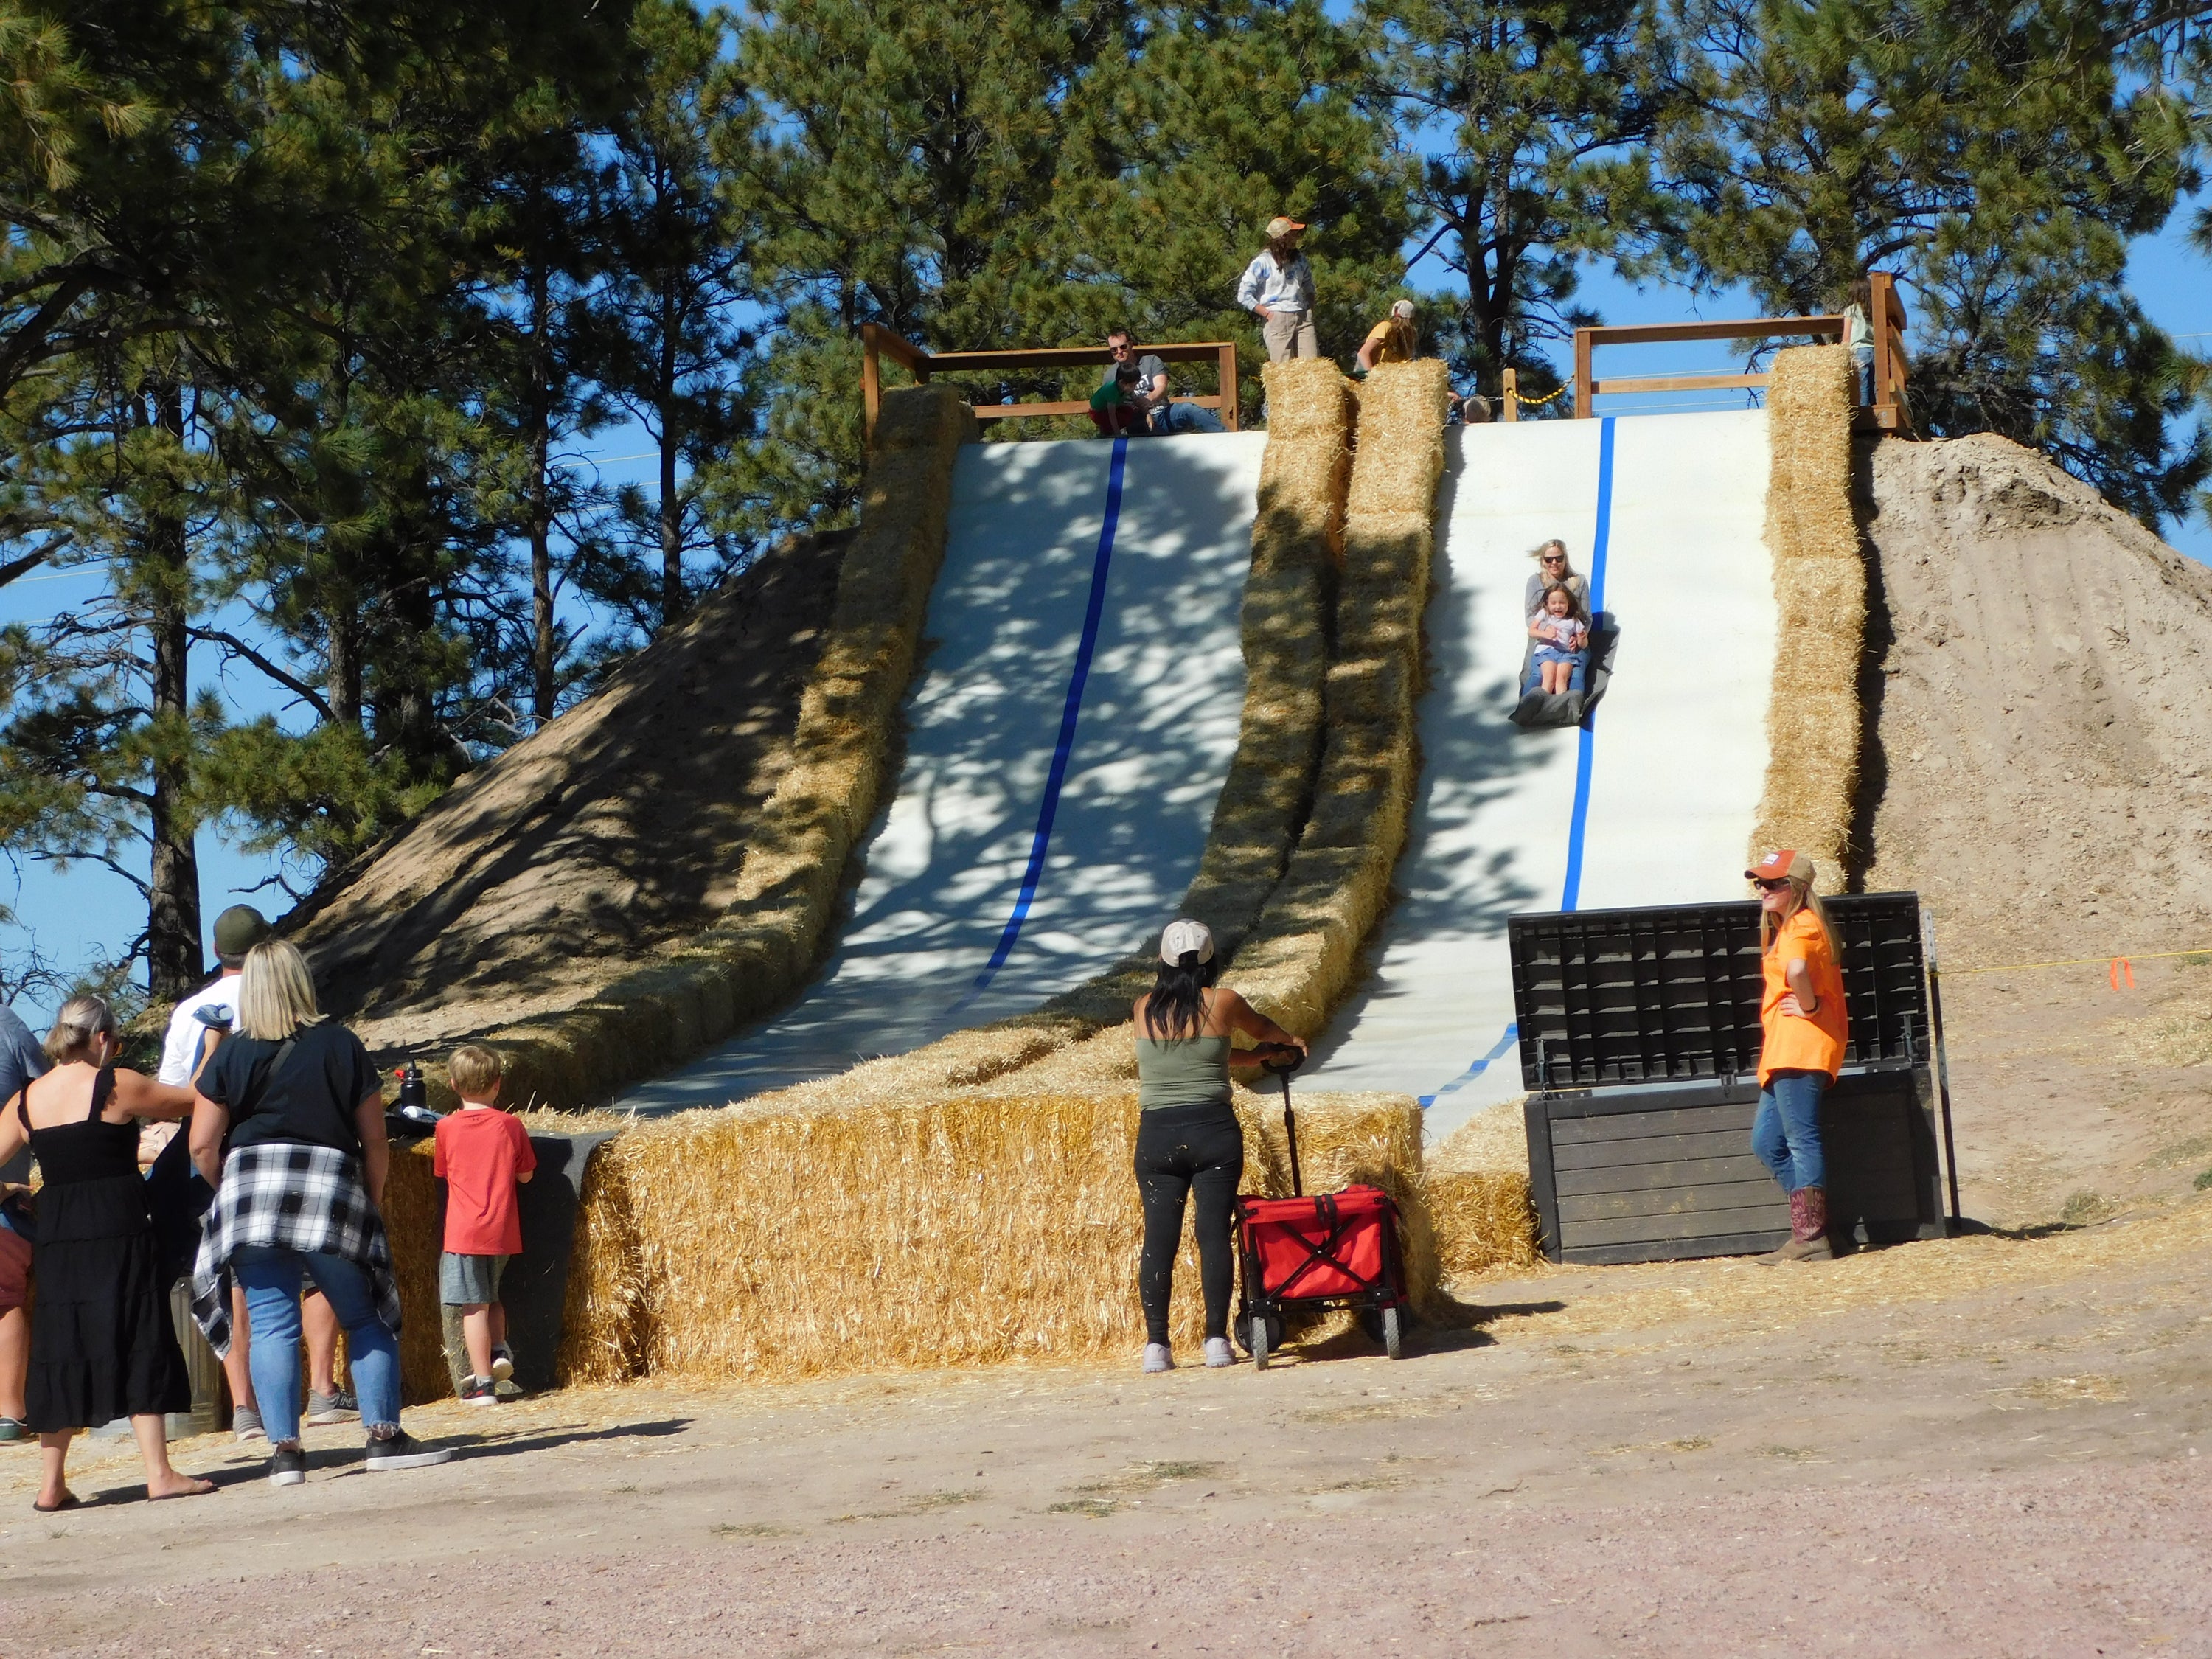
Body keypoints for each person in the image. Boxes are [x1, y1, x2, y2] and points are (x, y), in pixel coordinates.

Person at [189, 940, 448, 1485]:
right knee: (364, 1314)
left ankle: (284, 1453)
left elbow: (201, 1146)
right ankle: (383, 1437)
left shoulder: (229, 1054)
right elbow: (375, 1140)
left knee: (271, 1326)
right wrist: (370, 1202)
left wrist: (231, 1192)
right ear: (301, 982)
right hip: (329, 1189)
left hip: (250, 1195)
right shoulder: (341, 1045)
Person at [0, 996, 213, 1509]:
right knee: (139, 1332)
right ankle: (158, 1473)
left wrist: (10, 1192)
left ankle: (50, 1484)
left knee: (61, 1345)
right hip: (119, 1223)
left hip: (60, 1231)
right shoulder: (115, 1085)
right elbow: (193, 1100)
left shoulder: (26, 1099)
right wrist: (213, 1046)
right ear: (101, 1039)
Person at [153, 905, 353, 1440]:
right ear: (270, 946)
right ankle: (322, 1391)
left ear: (217, 953)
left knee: (237, 1281)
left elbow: (176, 1100)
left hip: (218, 1162)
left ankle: (245, 1409)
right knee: (315, 1272)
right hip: (291, 1157)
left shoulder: (192, 1011)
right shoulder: (289, 1003)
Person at [1130, 917, 1307, 1374]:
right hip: (1213, 1131)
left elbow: (1195, 1053)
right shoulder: (1224, 1001)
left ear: (1162, 961)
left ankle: (1156, 1345)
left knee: (1159, 1238)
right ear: (1211, 959)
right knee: (1213, 1235)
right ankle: (1216, 1340)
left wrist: (1253, 1058)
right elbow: (1261, 1029)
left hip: (1158, 1136)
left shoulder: (1143, 1008)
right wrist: (1286, 1042)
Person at [1745, 850, 1850, 1263]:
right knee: (1766, 1142)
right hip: (1788, 1048)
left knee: (1800, 1141)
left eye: (1774, 883)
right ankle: (1819, 1231)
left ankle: (1810, 1239)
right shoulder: (1793, 925)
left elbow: (1797, 972)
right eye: (1761, 883)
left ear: (1799, 888)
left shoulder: (1800, 926)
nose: (1764, 890)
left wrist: (1806, 1006)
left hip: (1800, 1045)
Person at [434, 1044, 535, 1406]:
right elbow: (525, 1176)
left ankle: (482, 1385)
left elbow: (443, 1173)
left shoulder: (445, 1128)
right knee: (492, 1295)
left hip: (464, 1231)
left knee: (472, 1306)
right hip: (502, 1229)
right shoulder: (511, 1125)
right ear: (498, 1084)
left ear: (452, 1084)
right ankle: (499, 1349)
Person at [0, 1001, 46, 1441]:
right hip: (5, 1195)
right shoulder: (8, 1025)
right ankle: (9, 1414)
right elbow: (46, 1096)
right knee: (6, 1299)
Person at [1237, 215, 1318, 363]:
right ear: (1282, 237)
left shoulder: (1300, 259)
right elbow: (1243, 295)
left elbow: (1308, 284)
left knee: (1312, 368)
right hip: (1278, 318)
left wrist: (1310, 307)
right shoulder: (1262, 262)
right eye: (1293, 234)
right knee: (1283, 373)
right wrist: (1268, 314)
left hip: (1303, 317)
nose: (1296, 238)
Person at [1528, 582, 1589, 695]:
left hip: (1566, 654)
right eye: (1553, 603)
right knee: (1549, 678)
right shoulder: (1545, 614)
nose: (1558, 606)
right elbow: (1531, 631)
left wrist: (1581, 638)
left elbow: (1583, 645)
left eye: (1562, 603)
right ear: (1547, 603)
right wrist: (1545, 634)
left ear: (1568, 604)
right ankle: (1543, 704)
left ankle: (1561, 706)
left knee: (1561, 680)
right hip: (1548, 651)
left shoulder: (1573, 620)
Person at [1102, 329, 1169, 427]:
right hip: (1134, 421)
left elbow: (1161, 387)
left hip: (1162, 412)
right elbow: (1108, 407)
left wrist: (1149, 399)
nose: (1119, 352)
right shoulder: (1110, 376)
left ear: (1131, 345)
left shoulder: (1151, 361)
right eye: (1114, 350)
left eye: (1123, 347)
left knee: (1188, 409)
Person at [1522, 539, 1590, 621]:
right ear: (1543, 561)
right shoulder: (1535, 581)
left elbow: (1586, 618)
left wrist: (1578, 633)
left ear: (1565, 559)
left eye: (1559, 558)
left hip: (1571, 631)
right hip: (1542, 632)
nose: (1554, 562)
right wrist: (1548, 630)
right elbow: (1530, 617)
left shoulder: (1580, 581)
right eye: (1548, 559)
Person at [1356, 300, 1418, 372]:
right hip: (1369, 378)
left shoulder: (1402, 341)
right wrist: (1372, 376)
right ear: (1409, 320)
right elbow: (1363, 353)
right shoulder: (1386, 327)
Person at [1088, 360, 1147, 437]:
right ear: (1122, 382)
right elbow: (1112, 415)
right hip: (1098, 412)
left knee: (1129, 411)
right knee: (1112, 421)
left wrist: (1146, 414)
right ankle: (1108, 434)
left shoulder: (1125, 388)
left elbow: (1135, 398)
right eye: (1132, 385)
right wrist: (1117, 433)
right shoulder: (1112, 391)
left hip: (1115, 407)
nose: (1134, 388)